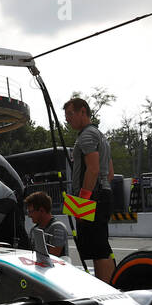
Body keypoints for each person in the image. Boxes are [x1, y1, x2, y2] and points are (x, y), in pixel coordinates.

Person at [63, 97, 114, 282]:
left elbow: (93, 169)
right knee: (99, 245)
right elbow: (109, 171)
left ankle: (106, 291)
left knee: (98, 248)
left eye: (70, 114)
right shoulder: (100, 135)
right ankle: (109, 286)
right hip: (102, 192)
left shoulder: (86, 136)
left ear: (83, 111)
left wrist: (82, 201)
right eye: (66, 115)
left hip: (92, 196)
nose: (68, 119)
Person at [25, 191, 68, 258]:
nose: (29, 215)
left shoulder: (58, 227)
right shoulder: (34, 229)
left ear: (42, 210)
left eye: (31, 211)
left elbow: (52, 258)